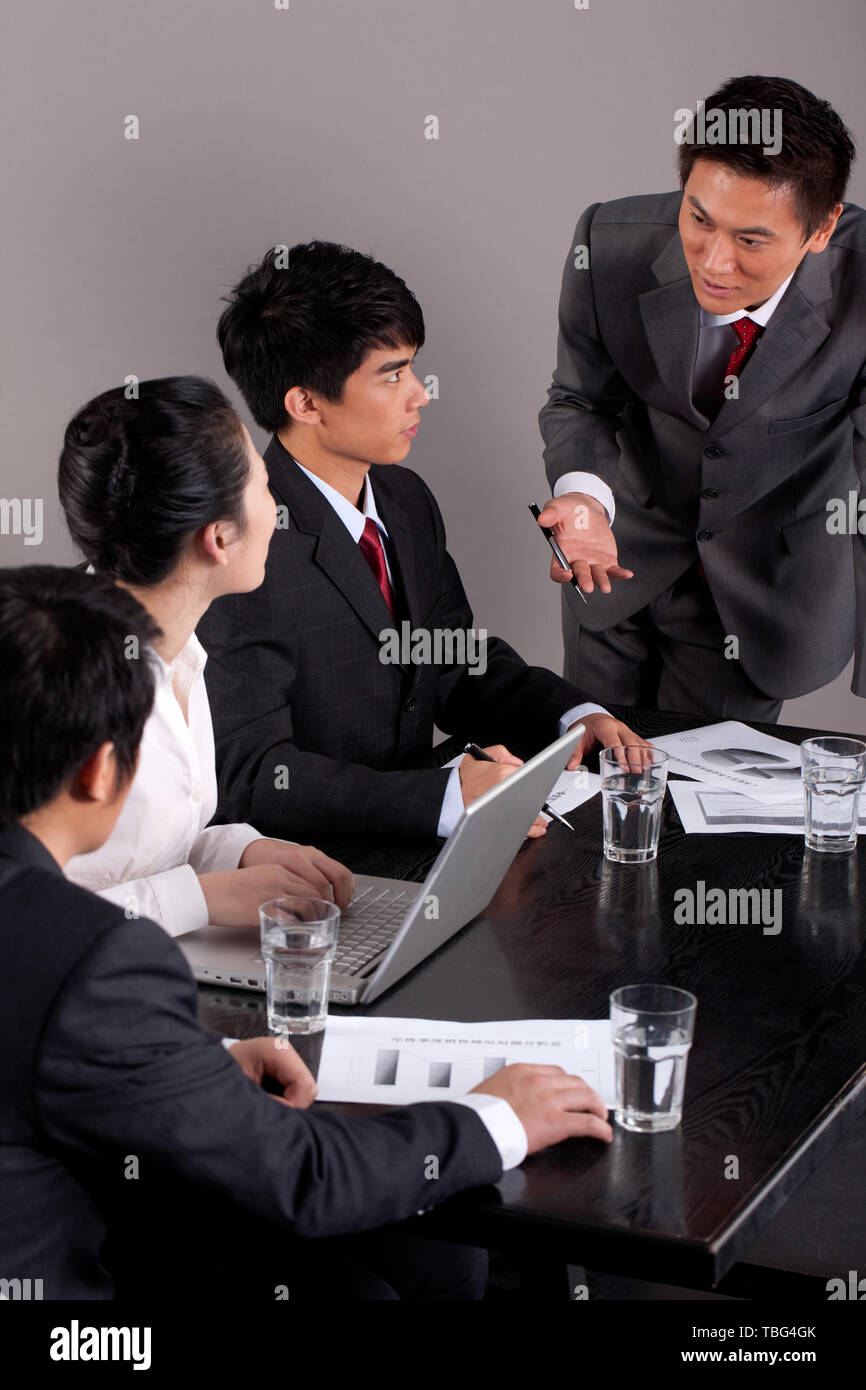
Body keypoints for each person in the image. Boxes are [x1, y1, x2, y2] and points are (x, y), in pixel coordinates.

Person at [0, 566, 612, 1299]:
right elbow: (305, 1177)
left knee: (424, 1260)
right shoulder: (94, 955)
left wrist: (191, 1061)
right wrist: (497, 1119)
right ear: (102, 771)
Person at [198, 242, 646, 841]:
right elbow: (252, 774)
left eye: (412, 367)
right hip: (307, 873)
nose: (420, 394)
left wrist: (571, 714)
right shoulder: (238, 547)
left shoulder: (404, 497)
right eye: (392, 376)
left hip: (424, 848)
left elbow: (451, 662)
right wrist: (442, 798)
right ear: (304, 402)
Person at [537, 74, 864, 720]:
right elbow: (580, 399)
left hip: (760, 592)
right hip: (614, 567)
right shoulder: (608, 242)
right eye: (699, 219)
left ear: (821, 229)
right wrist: (583, 501)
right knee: (587, 791)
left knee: (706, 814)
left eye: (750, 240)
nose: (714, 263)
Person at [58, 376, 354, 937]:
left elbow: (134, 850)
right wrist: (198, 897)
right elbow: (24, 917)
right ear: (219, 539)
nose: (277, 511)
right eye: (268, 489)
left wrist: (240, 851)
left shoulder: (182, 649)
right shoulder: (60, 684)